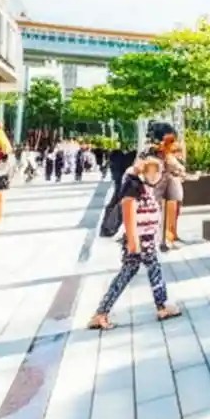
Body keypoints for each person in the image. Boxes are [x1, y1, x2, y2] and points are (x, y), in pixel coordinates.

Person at [87, 157, 182, 330]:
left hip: (144, 238)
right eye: (158, 172)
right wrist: (133, 242)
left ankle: (102, 313)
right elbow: (129, 214)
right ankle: (160, 307)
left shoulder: (144, 186)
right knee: (144, 270)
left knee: (135, 272)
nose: (160, 176)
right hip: (140, 240)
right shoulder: (133, 187)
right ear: (148, 172)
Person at [157, 134, 187, 249]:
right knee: (170, 214)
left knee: (175, 212)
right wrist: (181, 171)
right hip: (169, 189)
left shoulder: (171, 156)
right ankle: (168, 238)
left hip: (175, 187)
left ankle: (173, 235)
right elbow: (176, 169)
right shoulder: (167, 156)